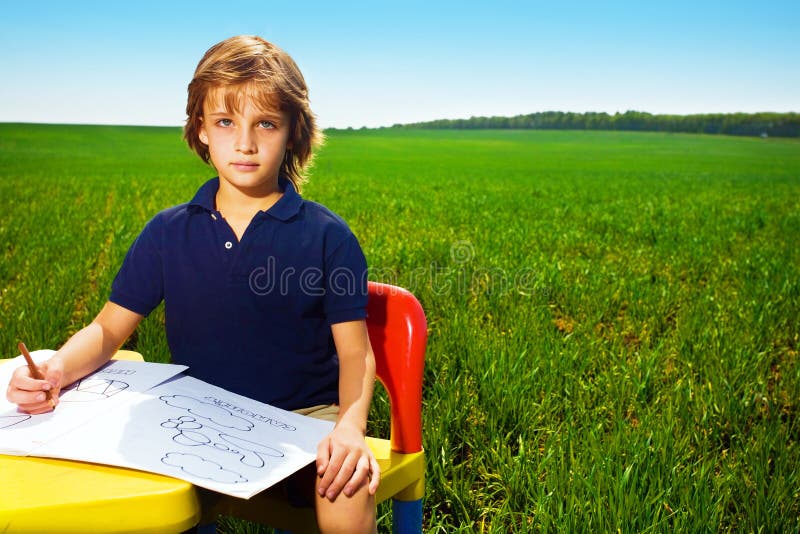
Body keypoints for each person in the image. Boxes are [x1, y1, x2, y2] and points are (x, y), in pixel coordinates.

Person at [6, 35, 379, 533]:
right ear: (200, 129)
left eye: (265, 123)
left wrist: (350, 428)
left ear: (293, 133)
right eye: (225, 122)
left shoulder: (327, 237)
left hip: (305, 418)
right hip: (197, 414)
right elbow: (108, 331)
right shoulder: (168, 231)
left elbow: (355, 353)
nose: (244, 143)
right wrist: (54, 371)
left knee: (345, 486)